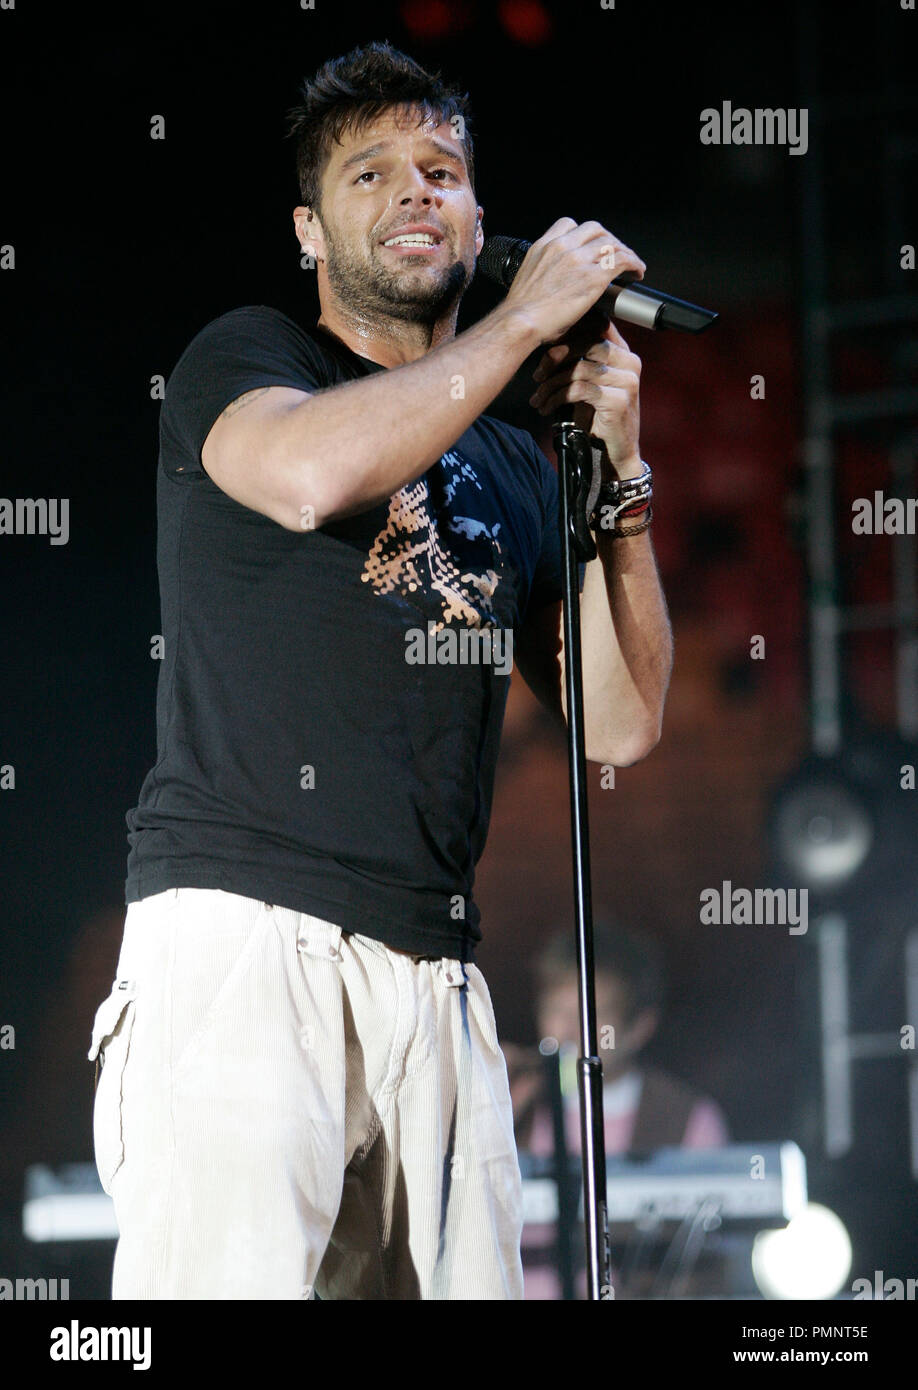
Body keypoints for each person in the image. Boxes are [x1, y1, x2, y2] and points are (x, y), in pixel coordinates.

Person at [87, 40, 673, 1300]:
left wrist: (615, 473)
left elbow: (617, 724)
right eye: (372, 175)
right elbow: (306, 479)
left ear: (479, 215)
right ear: (309, 230)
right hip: (249, 936)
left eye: (443, 169)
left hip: (434, 970)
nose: (417, 190)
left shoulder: (520, 461)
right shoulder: (252, 360)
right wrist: (523, 325)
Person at [506, 920, 730, 1299]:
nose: (568, 1032)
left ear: (639, 1028)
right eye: (555, 1011)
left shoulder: (687, 1120)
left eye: (592, 1014)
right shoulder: (512, 1103)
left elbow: (708, 1264)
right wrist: (491, 1111)